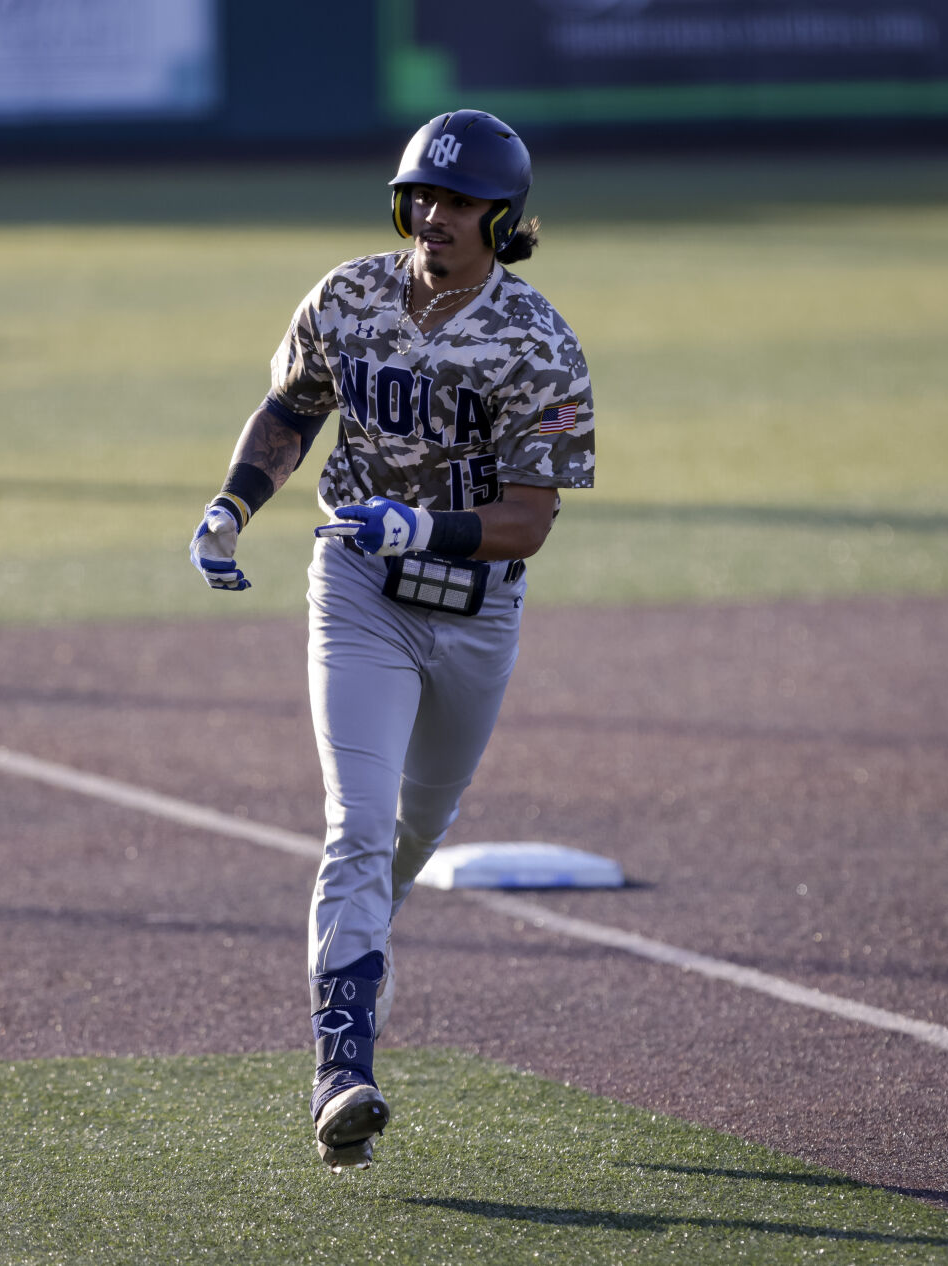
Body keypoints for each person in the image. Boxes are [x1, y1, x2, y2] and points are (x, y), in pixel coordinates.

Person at [189, 111, 595, 1173]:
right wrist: (230, 507)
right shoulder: (349, 294)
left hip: (474, 611)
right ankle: (342, 1075)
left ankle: (364, 948)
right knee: (358, 827)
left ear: (502, 220)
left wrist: (424, 525)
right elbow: (290, 411)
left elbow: (531, 519)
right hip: (357, 589)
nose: (437, 216)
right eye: (423, 195)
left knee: (415, 829)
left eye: (462, 203)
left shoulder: (540, 341)